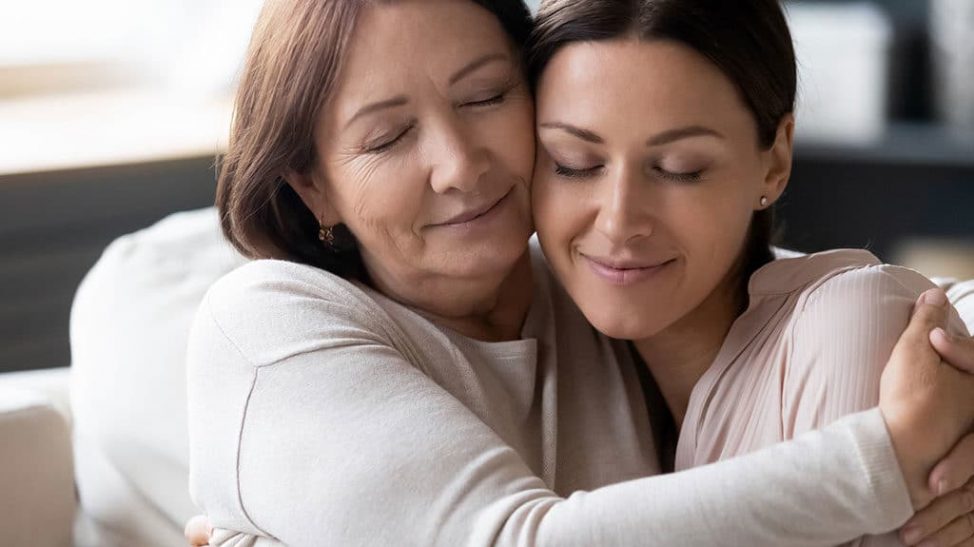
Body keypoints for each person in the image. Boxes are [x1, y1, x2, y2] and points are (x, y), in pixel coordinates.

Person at [186, 0, 974, 545]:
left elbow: (790, 291)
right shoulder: (270, 322)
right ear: (311, 183)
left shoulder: (589, 288)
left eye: (487, 95)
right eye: (388, 137)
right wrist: (888, 456)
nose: (461, 165)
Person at [526, 0, 974, 545]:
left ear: (776, 159)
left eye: (680, 169)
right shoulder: (548, 336)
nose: (619, 222)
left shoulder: (846, 323)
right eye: (573, 161)